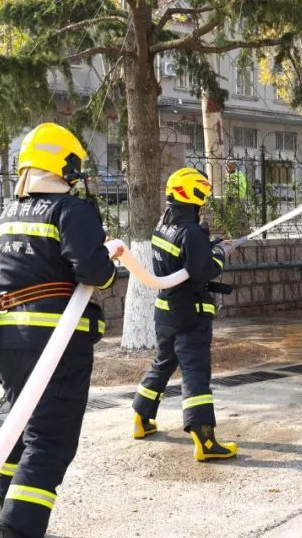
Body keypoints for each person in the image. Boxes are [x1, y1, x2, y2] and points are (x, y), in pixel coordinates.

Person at [0, 123, 118, 538]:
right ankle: (18, 528)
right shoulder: (68, 210)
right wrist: (109, 259)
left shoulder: (8, 213)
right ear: (63, 162)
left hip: (8, 342)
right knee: (50, 439)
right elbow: (95, 272)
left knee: (21, 425)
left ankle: (6, 504)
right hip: (56, 343)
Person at [131, 167, 239, 460]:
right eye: (201, 196)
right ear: (191, 194)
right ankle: (204, 439)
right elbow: (202, 270)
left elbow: (184, 256)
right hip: (190, 313)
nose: (202, 202)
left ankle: (141, 418)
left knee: (164, 362)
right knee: (195, 372)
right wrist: (220, 254)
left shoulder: (163, 225)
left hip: (165, 310)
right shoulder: (190, 231)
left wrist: (211, 246)